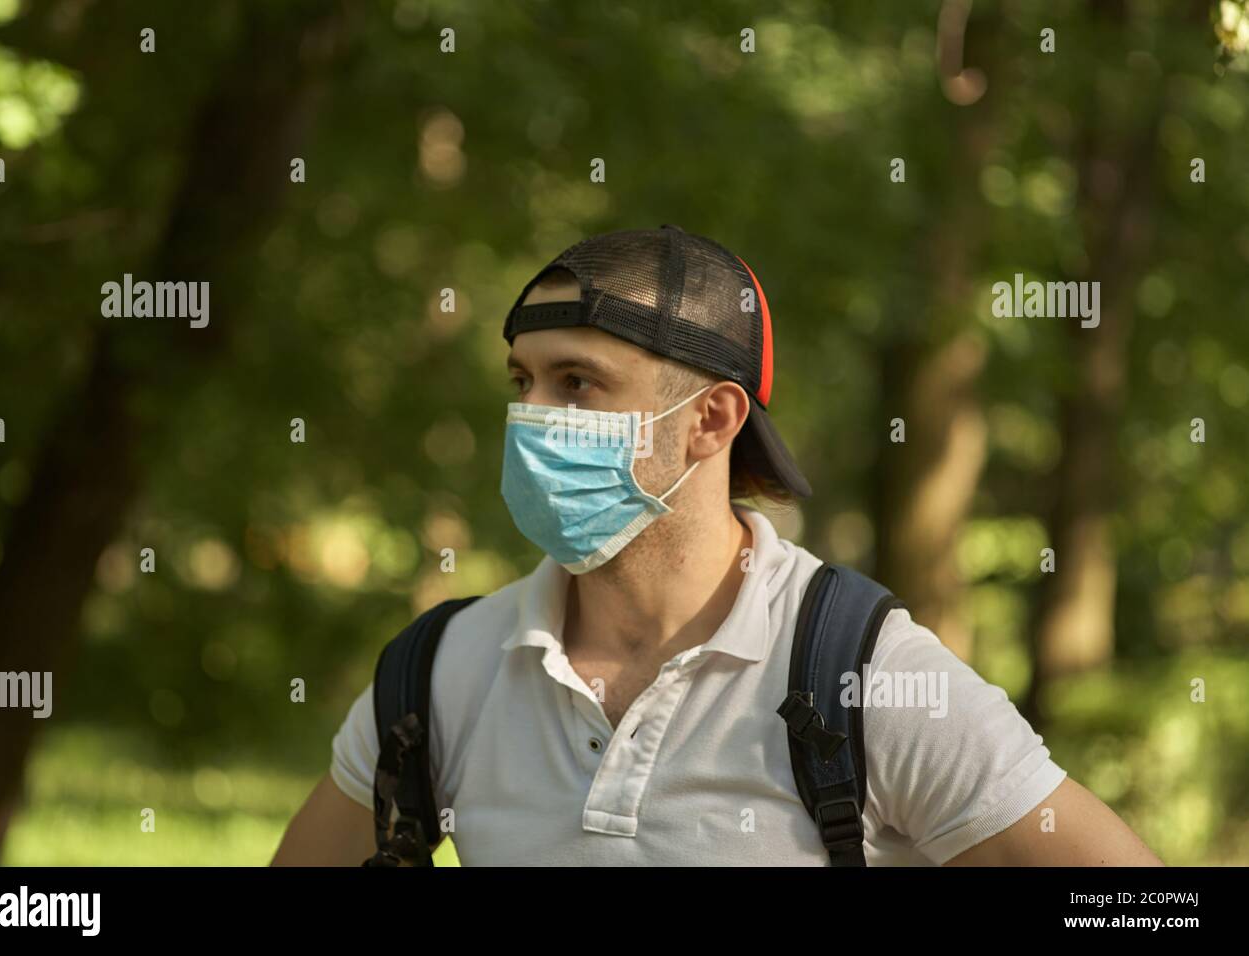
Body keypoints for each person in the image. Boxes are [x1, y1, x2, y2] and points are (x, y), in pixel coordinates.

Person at [272, 225, 1161, 866]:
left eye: (577, 382)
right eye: (522, 380)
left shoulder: (857, 672)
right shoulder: (440, 672)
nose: (532, 419)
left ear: (711, 419)